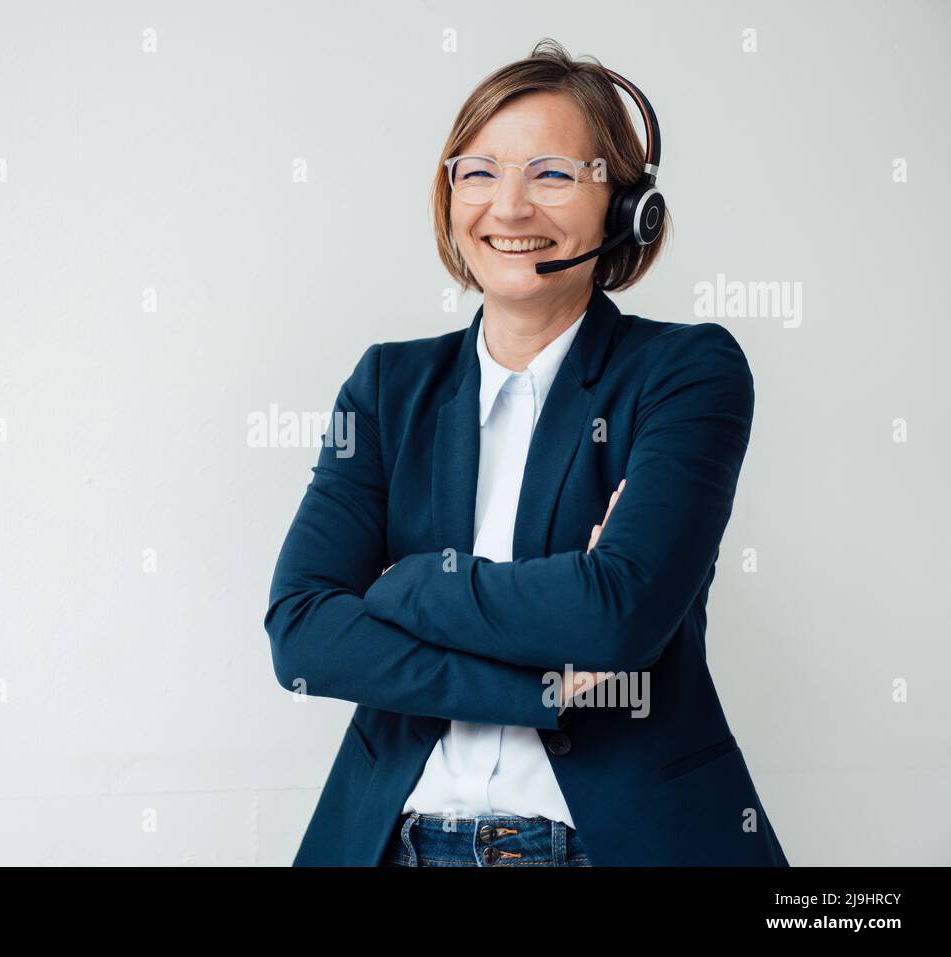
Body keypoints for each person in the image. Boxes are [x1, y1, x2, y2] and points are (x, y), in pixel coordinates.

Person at [263, 38, 788, 867]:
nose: (507, 208)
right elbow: (300, 633)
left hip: (611, 846)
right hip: (393, 844)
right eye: (478, 172)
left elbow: (615, 615)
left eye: (550, 173)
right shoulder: (386, 385)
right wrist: (537, 682)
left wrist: (404, 583)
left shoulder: (685, 372)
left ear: (623, 206)